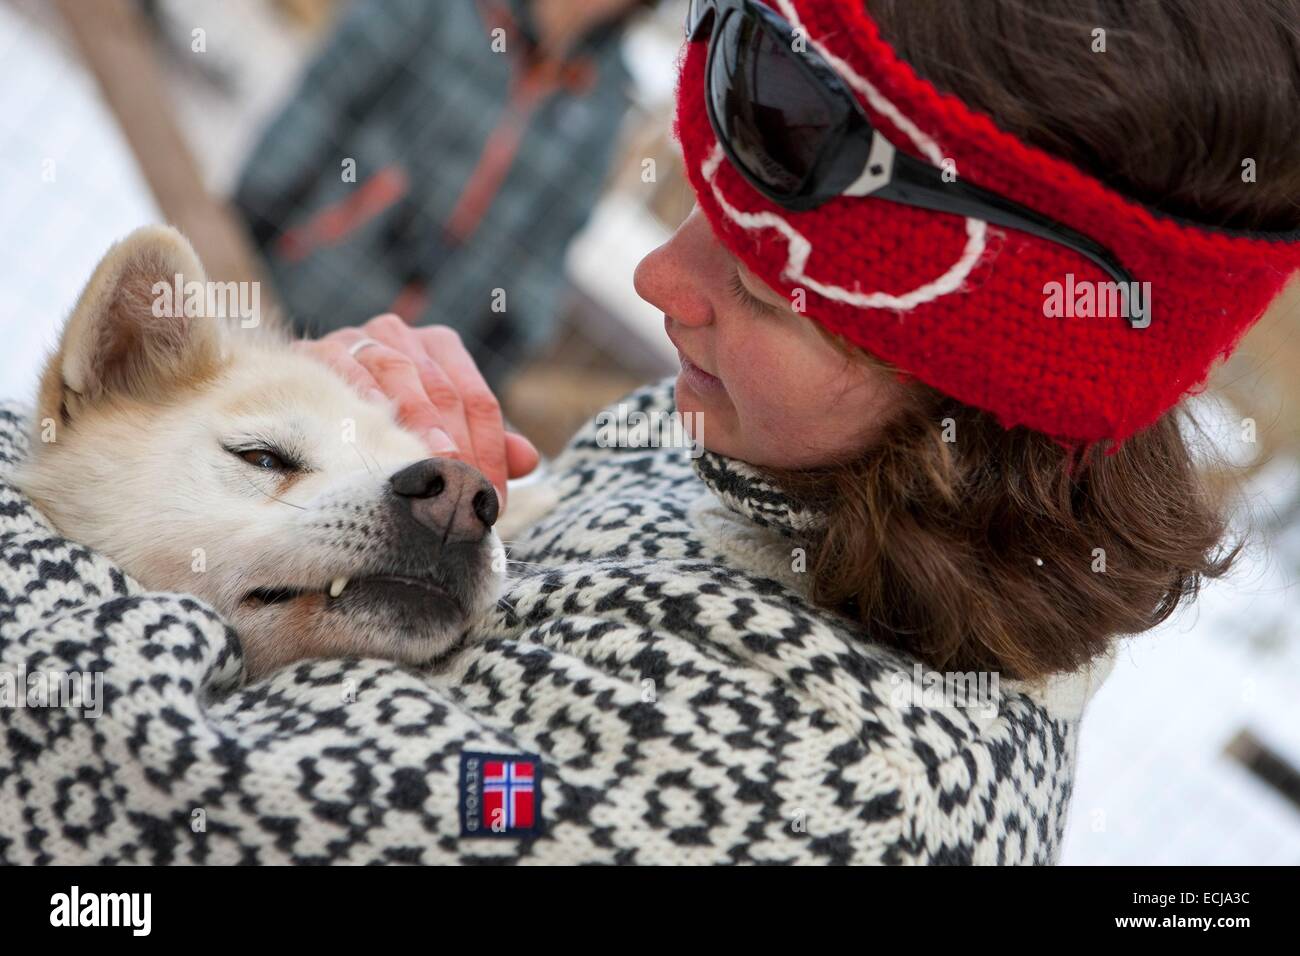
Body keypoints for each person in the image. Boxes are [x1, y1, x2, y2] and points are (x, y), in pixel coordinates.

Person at [5, 0, 1297, 865]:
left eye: (763, 284)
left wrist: (49, 484)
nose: (657, 282)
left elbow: (109, 782)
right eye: (696, 214)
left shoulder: (814, 787)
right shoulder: (780, 454)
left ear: (969, 376)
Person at [235, 0, 654, 389]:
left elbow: (551, 240)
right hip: (299, 283)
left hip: (403, 365)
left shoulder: (602, 100)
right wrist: (254, 208)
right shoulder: (446, 10)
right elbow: (326, 98)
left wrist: (506, 342)